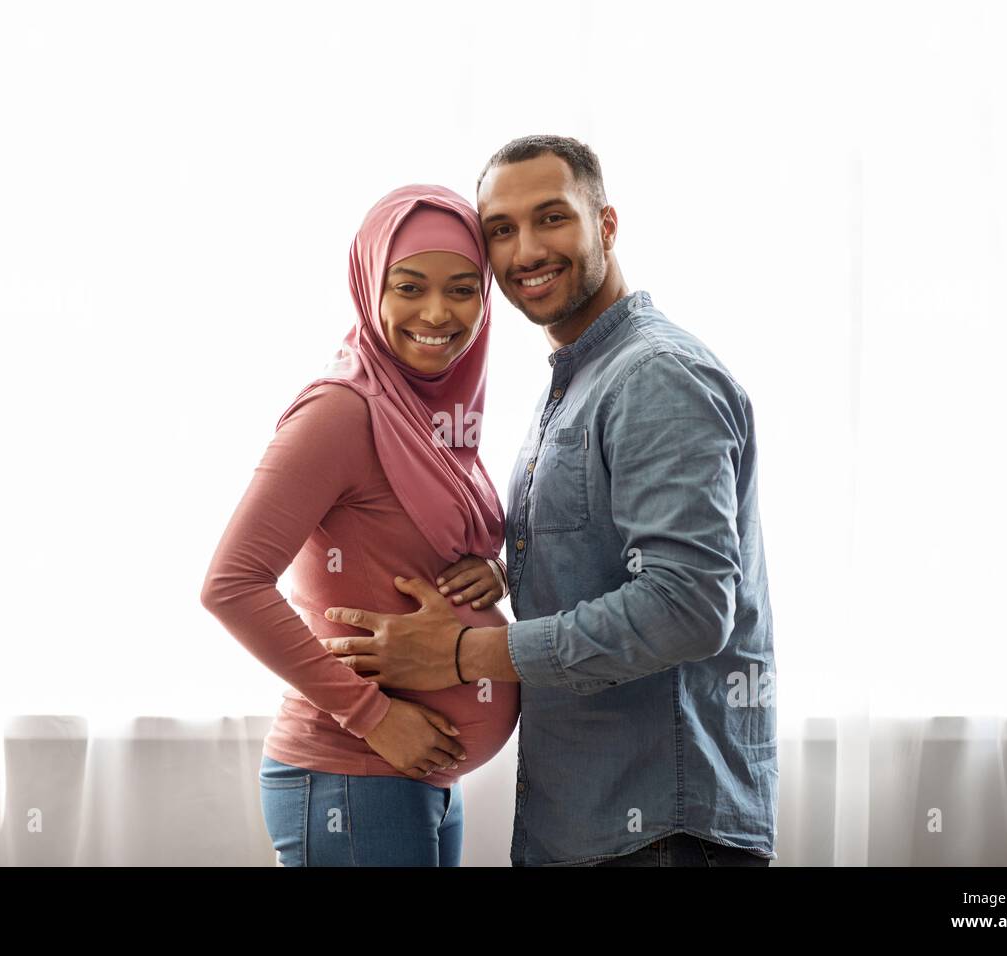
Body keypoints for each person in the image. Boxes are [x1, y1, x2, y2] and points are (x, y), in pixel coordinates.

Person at [321, 136, 778, 867]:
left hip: (659, 835)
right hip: (586, 827)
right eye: (501, 229)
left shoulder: (655, 377)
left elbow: (688, 606)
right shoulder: (575, 383)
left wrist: (466, 652)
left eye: (551, 218)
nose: (526, 249)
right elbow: (612, 557)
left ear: (605, 224)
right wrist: (511, 573)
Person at [199, 184, 519, 866]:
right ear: (369, 283)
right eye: (409, 286)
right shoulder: (342, 413)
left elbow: (409, 542)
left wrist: (490, 572)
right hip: (351, 770)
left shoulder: (435, 416)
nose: (438, 312)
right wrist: (375, 717)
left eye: (463, 289)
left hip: (416, 774)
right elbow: (230, 585)